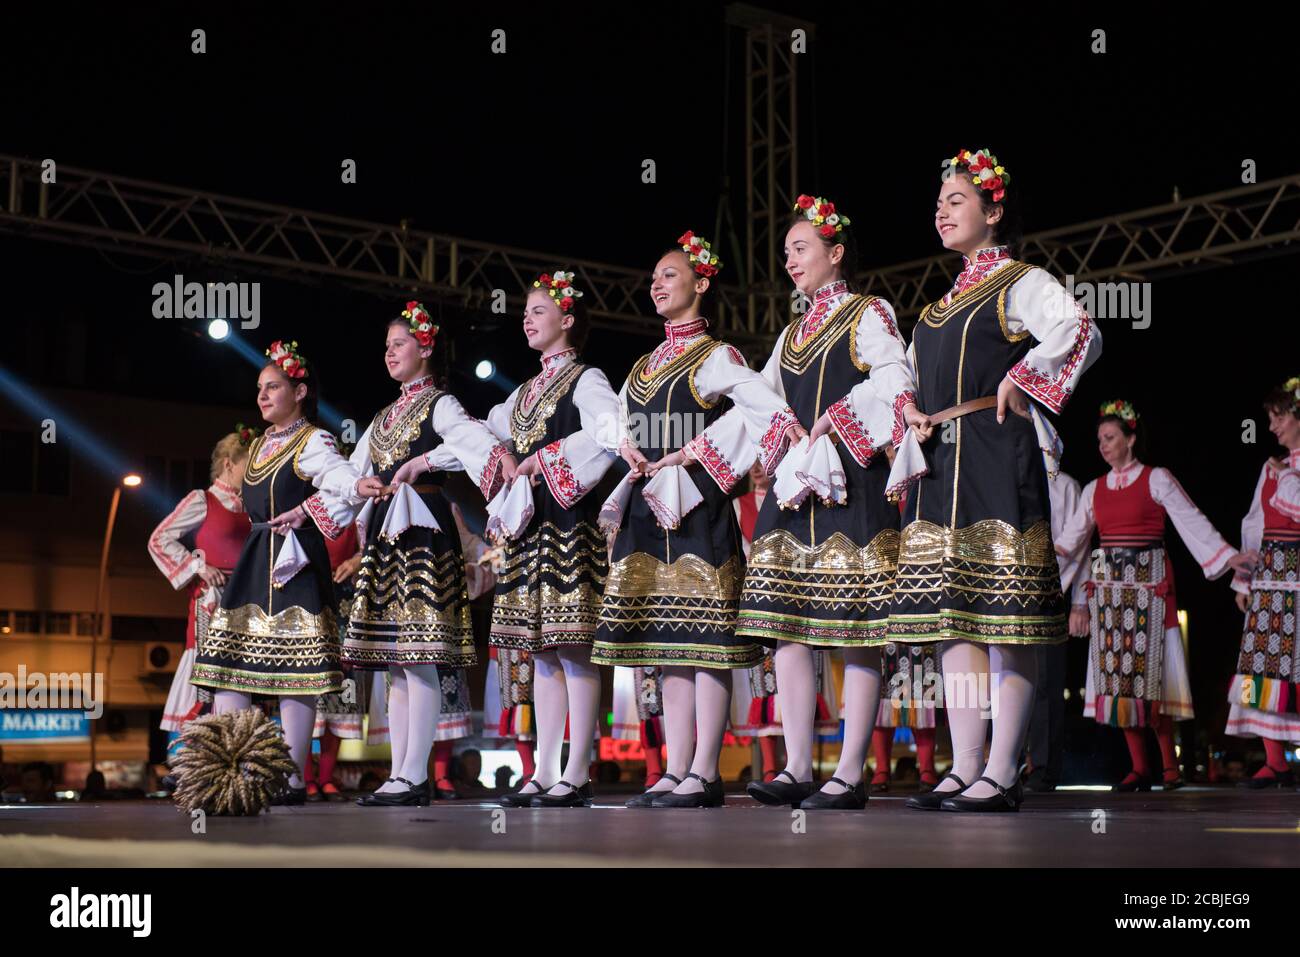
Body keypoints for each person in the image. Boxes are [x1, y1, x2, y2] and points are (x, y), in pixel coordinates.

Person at [889, 148, 1102, 813]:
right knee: (956, 622)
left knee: (1005, 615)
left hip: (995, 450)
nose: (942, 211)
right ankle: (968, 763)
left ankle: (1005, 766)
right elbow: (908, 380)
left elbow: (1079, 327)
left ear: (994, 210)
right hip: (944, 460)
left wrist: (1022, 376)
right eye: (939, 203)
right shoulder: (930, 310)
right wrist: (910, 410)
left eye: (956, 200)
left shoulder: (1018, 282)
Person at [592, 231, 804, 808]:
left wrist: (698, 452)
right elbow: (611, 420)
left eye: (669, 274)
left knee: (705, 639)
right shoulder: (641, 366)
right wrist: (627, 448)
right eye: (654, 276)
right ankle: (676, 766)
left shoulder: (717, 356)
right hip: (646, 509)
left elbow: (764, 409)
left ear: (701, 283)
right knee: (666, 641)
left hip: (696, 509)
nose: (656, 284)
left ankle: (706, 771)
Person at [738, 195, 923, 811]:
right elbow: (756, 402)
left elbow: (896, 378)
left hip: (849, 485)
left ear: (835, 254)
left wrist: (835, 421)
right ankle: (795, 765)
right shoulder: (791, 335)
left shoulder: (868, 313)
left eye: (801, 248)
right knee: (785, 627)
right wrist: (781, 432)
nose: (790, 260)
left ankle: (849, 771)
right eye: (787, 250)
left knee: (855, 629)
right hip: (796, 493)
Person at [191, 341, 382, 804]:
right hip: (257, 557)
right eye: (259, 388)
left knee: (298, 669)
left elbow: (335, 473)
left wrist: (355, 483)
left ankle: (291, 776)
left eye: (272, 386)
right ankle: (231, 769)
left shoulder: (312, 440)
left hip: (295, 560)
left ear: (299, 391)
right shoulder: (256, 446)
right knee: (231, 667)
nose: (262, 395)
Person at [344, 303, 512, 807]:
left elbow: (475, 442)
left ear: (426, 348)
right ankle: (400, 771)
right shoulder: (383, 417)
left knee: (419, 651)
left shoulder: (440, 404)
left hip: (423, 528)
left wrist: (425, 459)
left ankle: (415, 773)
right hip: (387, 529)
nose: (390, 352)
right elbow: (352, 471)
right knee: (396, 656)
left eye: (399, 344)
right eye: (388, 345)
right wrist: (360, 482)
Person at [1055, 400, 1247, 791]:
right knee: (1118, 677)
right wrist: (1040, 571)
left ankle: (1169, 768)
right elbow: (1071, 543)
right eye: (1100, 440)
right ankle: (1140, 768)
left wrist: (1227, 557)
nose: (1103, 446)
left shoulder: (1156, 478)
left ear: (1131, 438)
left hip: (1150, 586)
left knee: (1154, 675)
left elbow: (1190, 519)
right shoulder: (1094, 489)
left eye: (1110, 438)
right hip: (1109, 592)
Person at [483, 272, 621, 809]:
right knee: (541, 652)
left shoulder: (586, 378)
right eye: (526, 310)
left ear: (567, 321)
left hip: (567, 525)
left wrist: (548, 458)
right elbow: (477, 436)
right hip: (528, 530)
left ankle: (579, 769)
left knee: (573, 646)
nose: (527, 316)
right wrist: (496, 459)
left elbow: (611, 430)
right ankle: (543, 770)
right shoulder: (520, 396)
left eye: (539, 310)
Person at [147, 427, 255, 777]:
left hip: (248, 601)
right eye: (248, 465)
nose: (253, 472)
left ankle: (231, 765)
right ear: (229, 464)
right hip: (213, 599)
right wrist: (198, 565)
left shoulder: (253, 506)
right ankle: (190, 768)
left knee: (241, 678)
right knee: (204, 676)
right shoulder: (201, 500)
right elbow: (160, 538)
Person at [1227, 377, 1300, 787]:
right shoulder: (1272, 467)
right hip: (1271, 574)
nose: (1272, 427)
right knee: (1263, 663)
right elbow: (1254, 522)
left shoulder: (1284, 471)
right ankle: (1275, 760)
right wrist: (1243, 580)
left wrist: (1286, 476)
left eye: (1279, 417)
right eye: (1270, 419)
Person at [1022, 468, 1089, 792]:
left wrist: (1080, 602)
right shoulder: (1008, 475)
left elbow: (1083, 545)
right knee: (1007, 678)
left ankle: (1045, 769)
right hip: (1011, 593)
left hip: (1051, 592)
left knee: (1047, 683)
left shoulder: (1065, 485)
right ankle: (1008, 762)